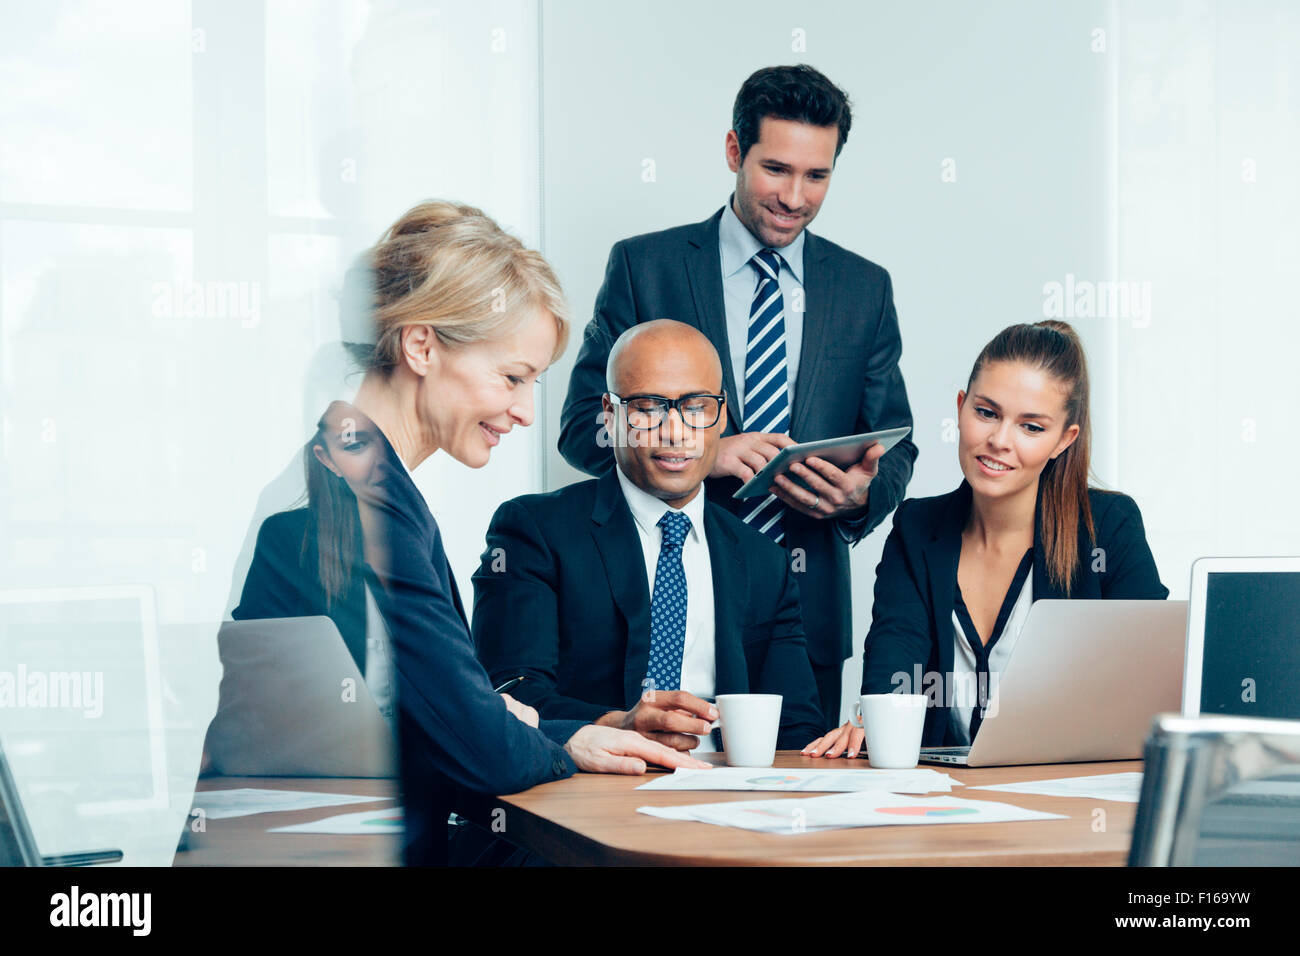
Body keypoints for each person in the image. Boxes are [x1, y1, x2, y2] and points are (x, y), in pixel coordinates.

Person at [230, 201, 706, 865]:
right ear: (421, 345)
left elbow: (445, 708)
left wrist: (550, 728)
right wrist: (529, 734)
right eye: (512, 377)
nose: (524, 411)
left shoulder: (344, 466)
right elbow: (478, 746)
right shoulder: (364, 503)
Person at [558, 65, 916, 726]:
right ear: (733, 151)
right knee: (647, 786)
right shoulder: (647, 267)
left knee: (789, 807)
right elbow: (584, 424)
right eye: (776, 169)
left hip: (808, 615)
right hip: (667, 596)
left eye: (818, 176)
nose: (794, 197)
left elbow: (895, 442)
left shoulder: (863, 287)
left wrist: (861, 495)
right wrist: (708, 449)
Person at [803, 320, 1169, 758]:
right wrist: (873, 724)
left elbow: (1145, 690)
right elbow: (892, 674)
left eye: (1031, 427)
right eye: (986, 413)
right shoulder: (917, 528)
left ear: (1063, 440)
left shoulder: (1108, 527)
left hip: (1065, 796)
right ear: (961, 407)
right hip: (943, 802)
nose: (998, 441)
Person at [472, 320, 824, 752]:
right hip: (591, 789)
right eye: (647, 407)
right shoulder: (535, 530)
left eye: (696, 407)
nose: (675, 431)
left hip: (725, 791)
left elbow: (797, 725)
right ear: (610, 413)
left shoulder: (764, 560)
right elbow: (507, 694)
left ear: (722, 415)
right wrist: (616, 725)